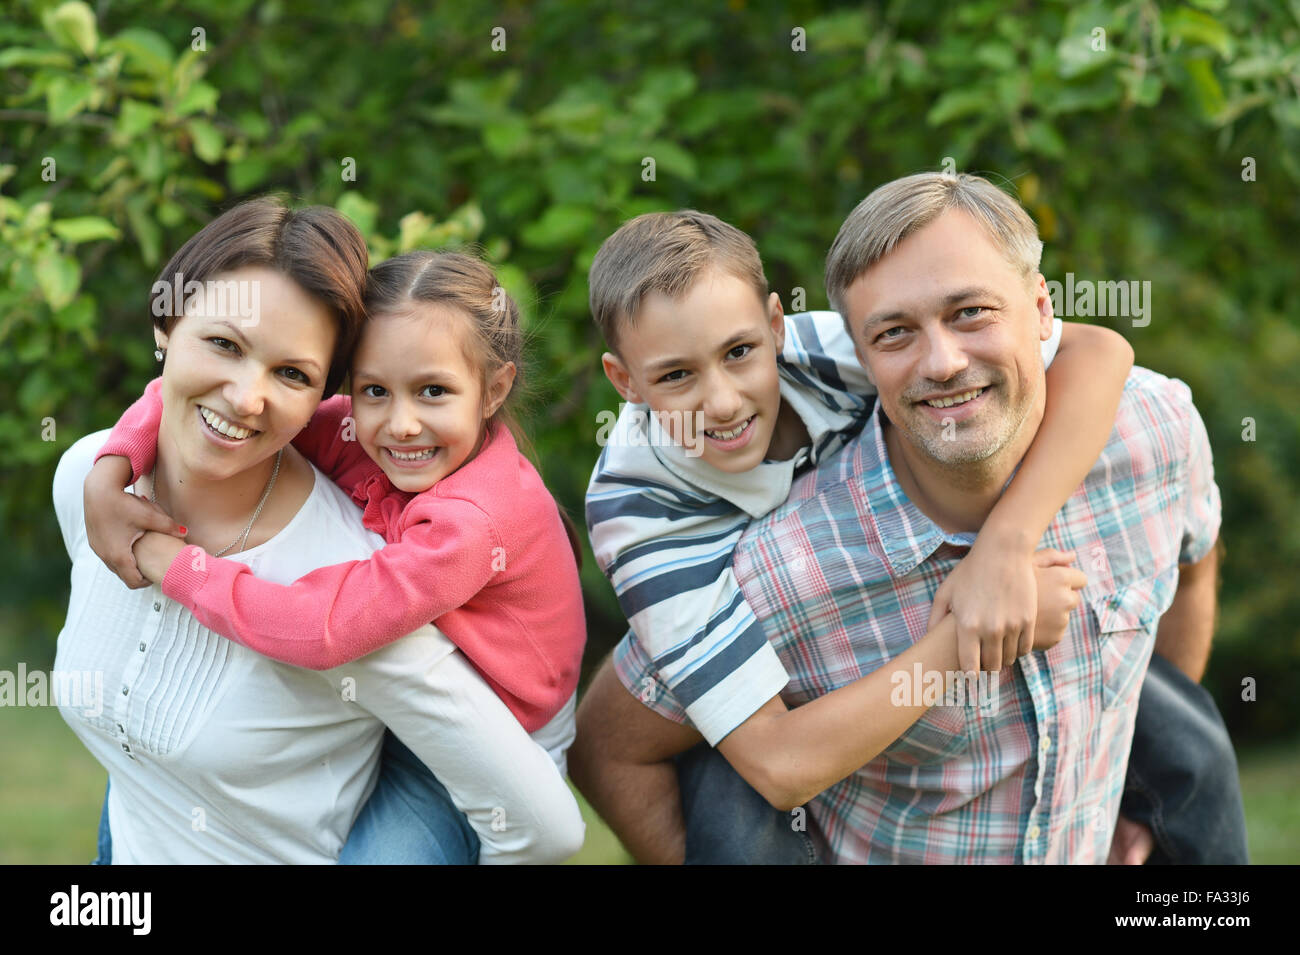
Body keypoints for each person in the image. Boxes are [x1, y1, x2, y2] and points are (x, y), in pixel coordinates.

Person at [570, 172, 1246, 864]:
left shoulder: (1149, 429)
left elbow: (1101, 351)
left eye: (971, 313)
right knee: (728, 785)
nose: (720, 401)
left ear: (776, 330)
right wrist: (963, 638)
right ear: (625, 383)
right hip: (799, 668)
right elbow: (761, 761)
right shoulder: (667, 530)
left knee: (1188, 739)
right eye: (676, 376)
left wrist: (1006, 547)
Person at [55, 198, 584, 864]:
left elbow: (326, 627)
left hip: (500, 728)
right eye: (374, 391)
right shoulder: (342, 427)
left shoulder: (457, 531)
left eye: (435, 392)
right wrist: (109, 469)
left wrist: (173, 562)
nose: (401, 424)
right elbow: (182, 396)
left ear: (495, 388)